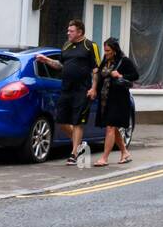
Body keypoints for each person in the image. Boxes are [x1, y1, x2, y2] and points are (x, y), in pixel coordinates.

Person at [35, 20, 98, 165]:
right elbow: (60, 65)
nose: (68, 33)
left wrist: (93, 88)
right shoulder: (66, 45)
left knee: (77, 122)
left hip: (82, 90)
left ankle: (74, 153)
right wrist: (46, 60)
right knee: (61, 121)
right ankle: (79, 145)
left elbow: (96, 69)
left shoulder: (90, 46)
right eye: (68, 30)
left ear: (80, 32)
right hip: (66, 88)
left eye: (71, 31)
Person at [95, 37, 139, 166]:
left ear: (114, 50)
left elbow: (135, 75)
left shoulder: (124, 61)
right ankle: (125, 153)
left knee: (110, 127)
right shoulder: (105, 61)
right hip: (105, 99)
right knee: (113, 128)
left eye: (108, 50)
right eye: (105, 50)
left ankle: (104, 158)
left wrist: (120, 75)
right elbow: (100, 76)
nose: (106, 52)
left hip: (119, 99)